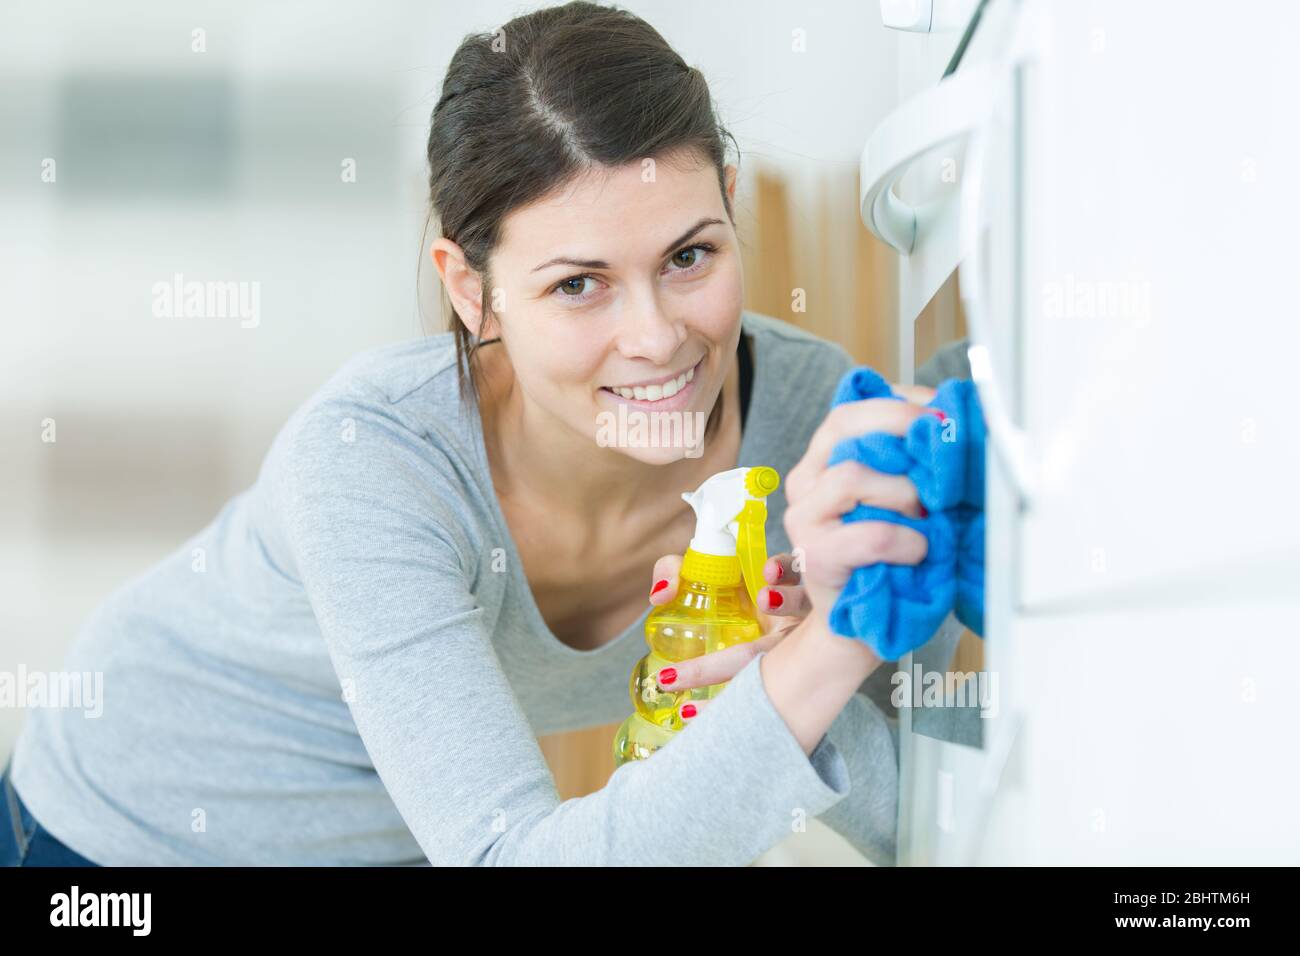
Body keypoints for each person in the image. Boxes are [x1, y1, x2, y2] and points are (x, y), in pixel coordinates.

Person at [5, 1, 939, 867]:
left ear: (730, 206)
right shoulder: (373, 459)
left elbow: (929, 821)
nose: (656, 338)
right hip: (126, 830)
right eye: (579, 284)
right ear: (467, 286)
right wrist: (831, 646)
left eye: (688, 256)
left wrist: (824, 645)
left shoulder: (808, 425)